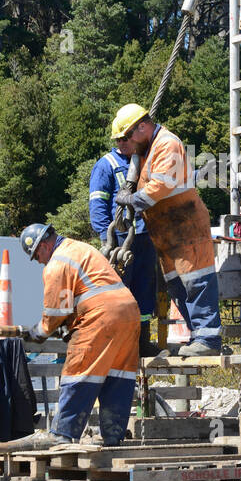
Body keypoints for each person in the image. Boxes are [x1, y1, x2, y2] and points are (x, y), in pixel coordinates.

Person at [109, 103, 221, 357]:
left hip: (186, 226)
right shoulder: (145, 150)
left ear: (142, 126)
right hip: (167, 232)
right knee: (179, 289)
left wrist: (130, 199)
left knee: (197, 282)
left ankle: (209, 340)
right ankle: (198, 338)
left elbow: (158, 188)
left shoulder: (167, 144)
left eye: (126, 137)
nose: (124, 144)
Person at [18, 222, 140, 446]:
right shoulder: (81, 249)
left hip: (101, 317)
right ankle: (113, 437)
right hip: (129, 313)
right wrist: (69, 323)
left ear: (43, 246)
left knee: (79, 372)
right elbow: (75, 297)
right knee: (118, 376)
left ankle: (63, 434)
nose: (38, 261)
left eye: (36, 255)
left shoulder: (57, 263)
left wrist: (39, 332)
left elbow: (55, 312)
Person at [89, 131, 161, 357]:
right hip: (120, 237)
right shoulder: (106, 165)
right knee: (118, 293)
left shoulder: (145, 161)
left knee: (144, 292)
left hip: (145, 235)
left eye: (126, 138)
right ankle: (116, 344)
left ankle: (142, 342)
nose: (122, 143)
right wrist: (106, 238)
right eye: (119, 140)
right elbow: (98, 205)